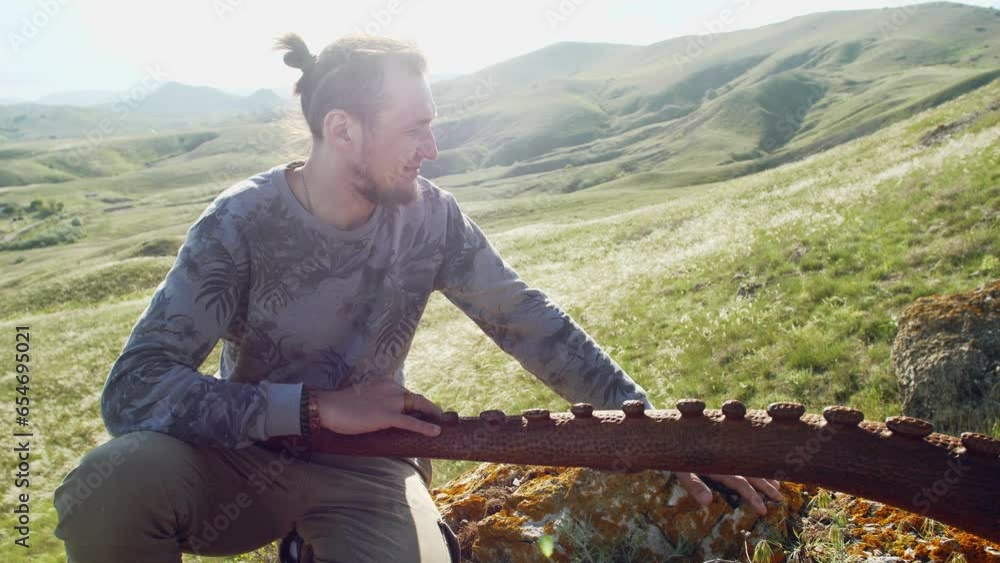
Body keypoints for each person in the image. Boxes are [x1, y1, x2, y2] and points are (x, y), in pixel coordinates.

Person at [52, 33, 782, 563]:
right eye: (416, 128)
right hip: (241, 464)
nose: (432, 148)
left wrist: (656, 431)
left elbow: (529, 322)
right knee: (107, 487)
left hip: (372, 465)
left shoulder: (432, 217)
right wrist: (311, 408)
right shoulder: (238, 223)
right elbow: (135, 389)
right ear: (342, 129)